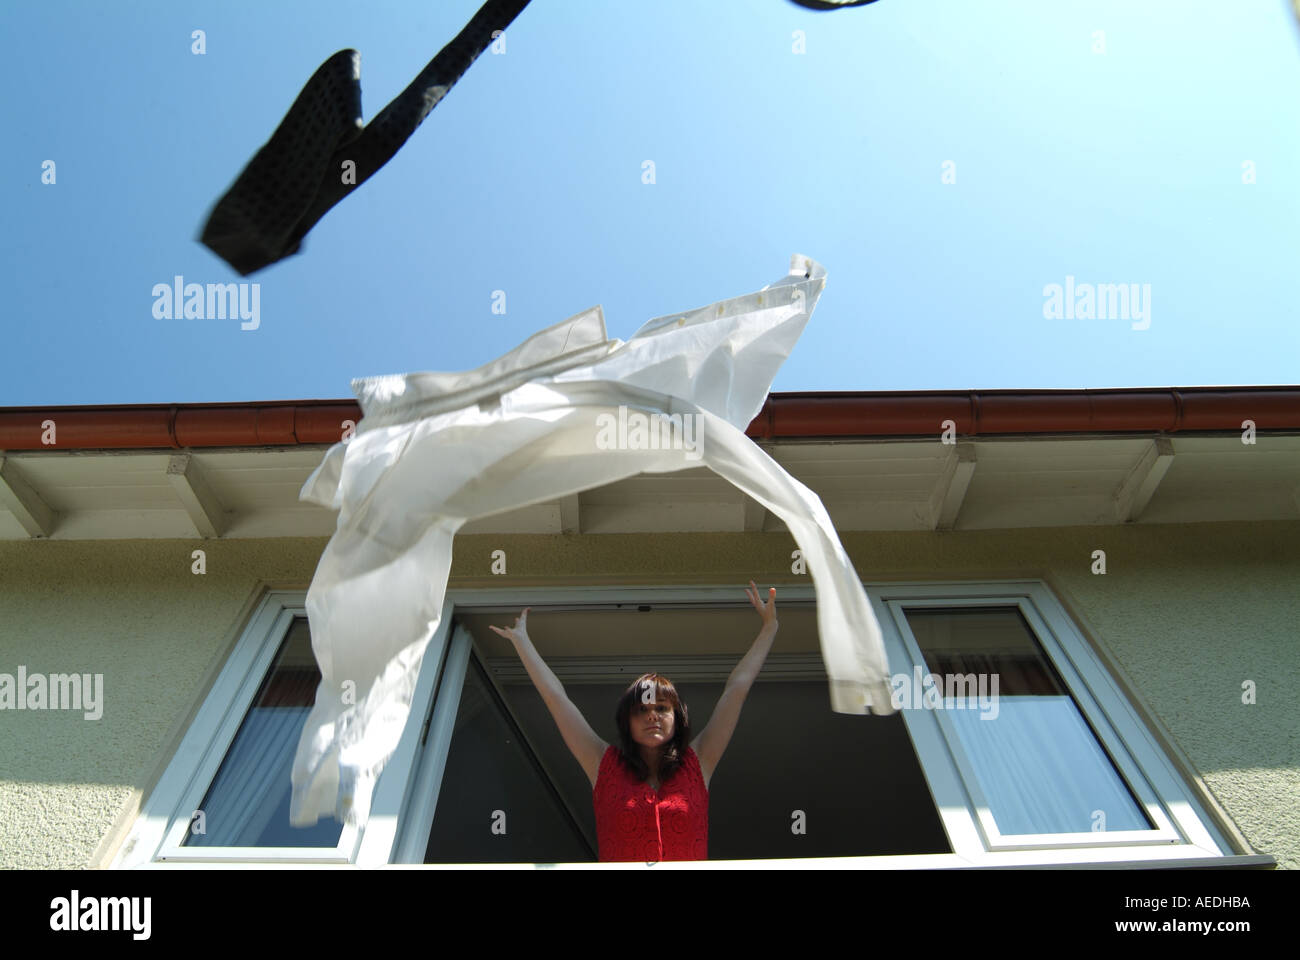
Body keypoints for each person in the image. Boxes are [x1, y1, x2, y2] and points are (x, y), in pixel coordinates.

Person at [488, 580, 779, 862]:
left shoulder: (699, 761)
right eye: (641, 710)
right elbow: (556, 700)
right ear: (626, 721)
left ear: (677, 719)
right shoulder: (602, 763)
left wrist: (769, 628)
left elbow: (736, 690)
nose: (652, 715)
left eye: (662, 708)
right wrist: (522, 642)